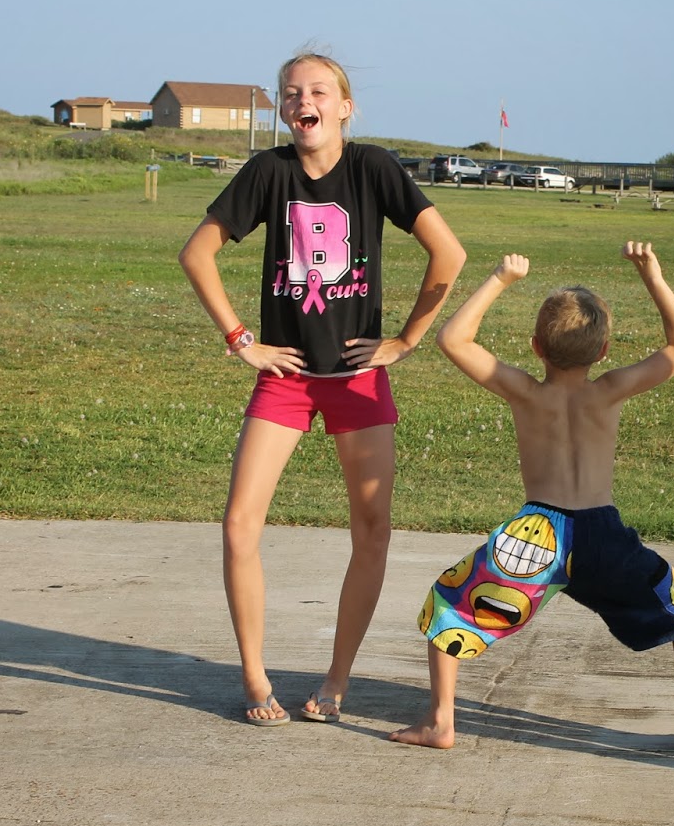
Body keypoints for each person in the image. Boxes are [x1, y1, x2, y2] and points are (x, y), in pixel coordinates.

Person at [179, 51, 466, 727]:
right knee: (239, 525)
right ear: (283, 109)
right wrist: (241, 341)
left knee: (372, 530)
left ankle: (335, 683)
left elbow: (448, 255)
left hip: (358, 382)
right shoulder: (268, 173)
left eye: (317, 90)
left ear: (344, 106)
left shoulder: (373, 169)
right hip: (287, 381)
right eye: (289, 92)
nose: (301, 100)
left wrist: (406, 339)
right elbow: (197, 253)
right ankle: (255, 680)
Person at [388, 243, 674, 753]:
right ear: (603, 352)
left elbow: (453, 339)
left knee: (449, 607)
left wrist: (501, 279)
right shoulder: (609, 390)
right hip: (602, 535)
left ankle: (441, 722)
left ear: (536, 347)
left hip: (534, 538)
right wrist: (652, 276)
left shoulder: (526, 391)